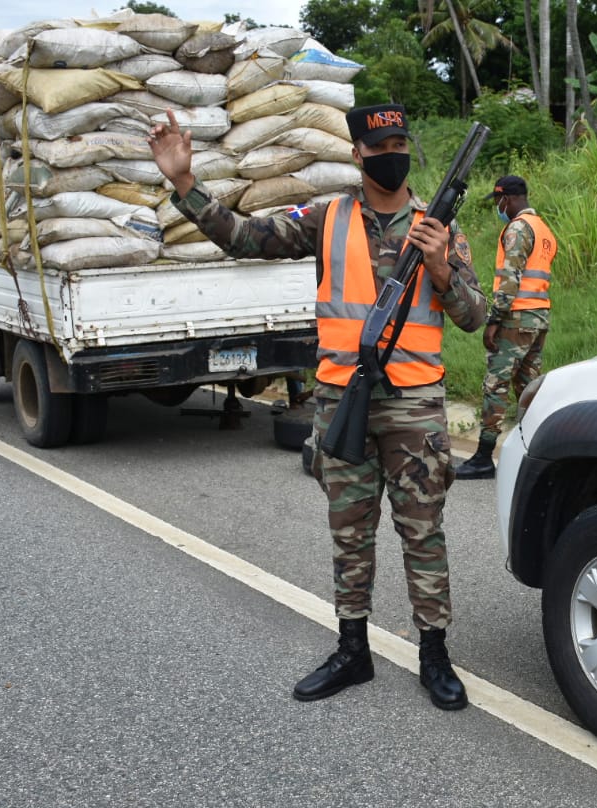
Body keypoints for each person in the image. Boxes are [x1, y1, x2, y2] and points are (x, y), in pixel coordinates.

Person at [148, 103, 486, 711]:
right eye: (379, 146)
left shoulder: (440, 229)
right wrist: (183, 182)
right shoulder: (327, 218)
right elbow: (245, 237)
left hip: (415, 409)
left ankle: (433, 654)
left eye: (400, 143)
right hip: (342, 396)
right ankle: (352, 650)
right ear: (357, 154)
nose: (392, 154)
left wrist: (441, 267)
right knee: (349, 533)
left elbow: (474, 317)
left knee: (423, 533)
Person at [455, 175, 557, 480]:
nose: (498, 208)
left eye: (498, 201)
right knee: (529, 389)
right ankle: (537, 456)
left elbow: (511, 278)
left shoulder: (517, 229)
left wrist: (494, 320)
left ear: (508, 199)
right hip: (539, 318)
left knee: (496, 385)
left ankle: (484, 457)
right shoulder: (544, 229)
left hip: (516, 319)